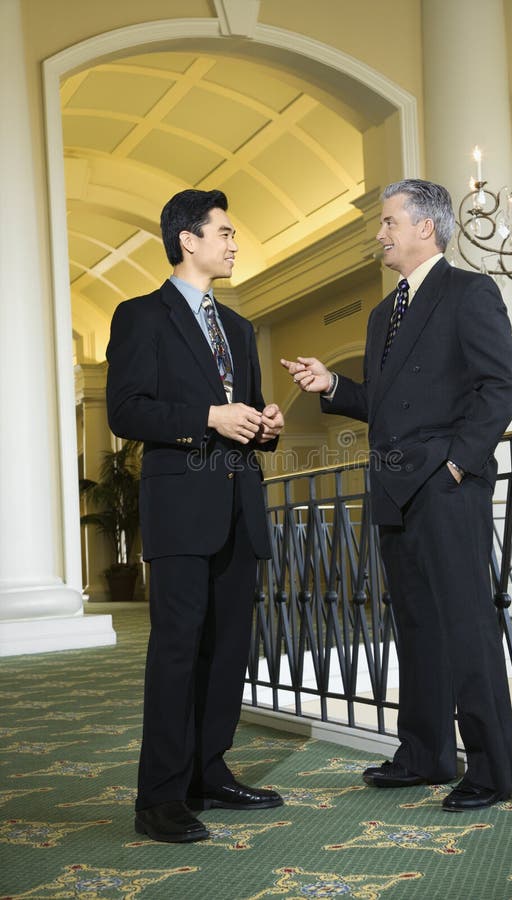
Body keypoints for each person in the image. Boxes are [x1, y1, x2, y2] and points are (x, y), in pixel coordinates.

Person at [281, 178, 512, 811]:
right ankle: (425, 754)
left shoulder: (469, 292)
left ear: (426, 227)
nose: (380, 233)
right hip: (392, 488)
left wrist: (456, 466)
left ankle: (494, 771)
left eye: (390, 221)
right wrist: (333, 384)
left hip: (445, 489)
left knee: (466, 627)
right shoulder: (381, 313)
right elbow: (383, 404)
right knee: (416, 627)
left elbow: (503, 387)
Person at [106, 189, 285, 843]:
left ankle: (208, 771)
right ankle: (158, 797)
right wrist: (207, 418)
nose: (235, 243)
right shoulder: (139, 316)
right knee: (177, 650)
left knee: (228, 647)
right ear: (188, 239)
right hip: (180, 504)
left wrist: (266, 425)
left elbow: (250, 412)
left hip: (238, 503)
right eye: (226, 232)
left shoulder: (238, 329)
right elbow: (125, 411)